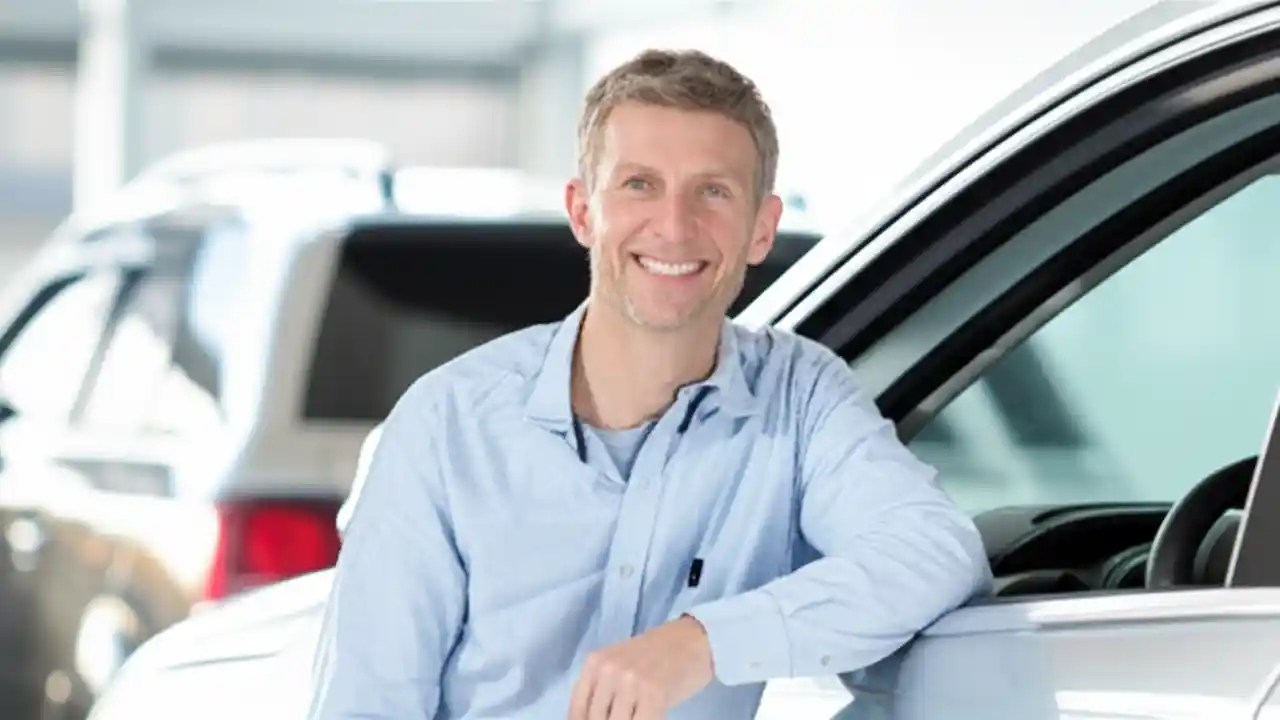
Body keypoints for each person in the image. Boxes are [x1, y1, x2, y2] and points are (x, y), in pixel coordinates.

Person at [308, 48, 991, 720]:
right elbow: (365, 704)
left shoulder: (800, 396)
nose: (674, 227)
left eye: (713, 191)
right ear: (583, 212)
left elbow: (933, 552)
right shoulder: (446, 424)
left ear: (762, 229)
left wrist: (703, 642)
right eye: (640, 184)